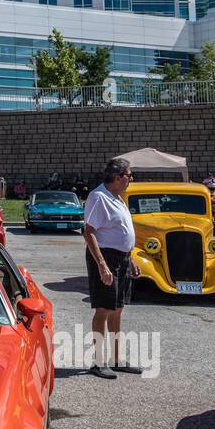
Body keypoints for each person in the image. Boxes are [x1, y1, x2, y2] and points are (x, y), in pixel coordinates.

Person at [83, 158, 141, 379]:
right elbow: (89, 232)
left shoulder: (117, 198)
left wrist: (131, 259)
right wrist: (102, 265)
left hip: (122, 258)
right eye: (129, 175)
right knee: (103, 310)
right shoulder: (99, 197)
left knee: (117, 309)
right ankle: (98, 362)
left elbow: (121, 232)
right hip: (106, 258)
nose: (131, 179)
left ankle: (116, 359)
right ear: (117, 177)